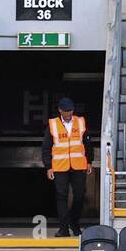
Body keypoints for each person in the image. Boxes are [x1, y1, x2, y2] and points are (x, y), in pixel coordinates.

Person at [42, 97, 92, 237]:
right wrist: (48, 167)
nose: (69, 114)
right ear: (60, 111)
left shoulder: (80, 122)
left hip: (78, 165)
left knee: (80, 195)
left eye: (71, 111)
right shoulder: (52, 124)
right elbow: (46, 148)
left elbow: (87, 143)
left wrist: (89, 161)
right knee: (61, 196)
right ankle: (63, 228)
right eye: (66, 111)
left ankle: (74, 222)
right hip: (59, 166)